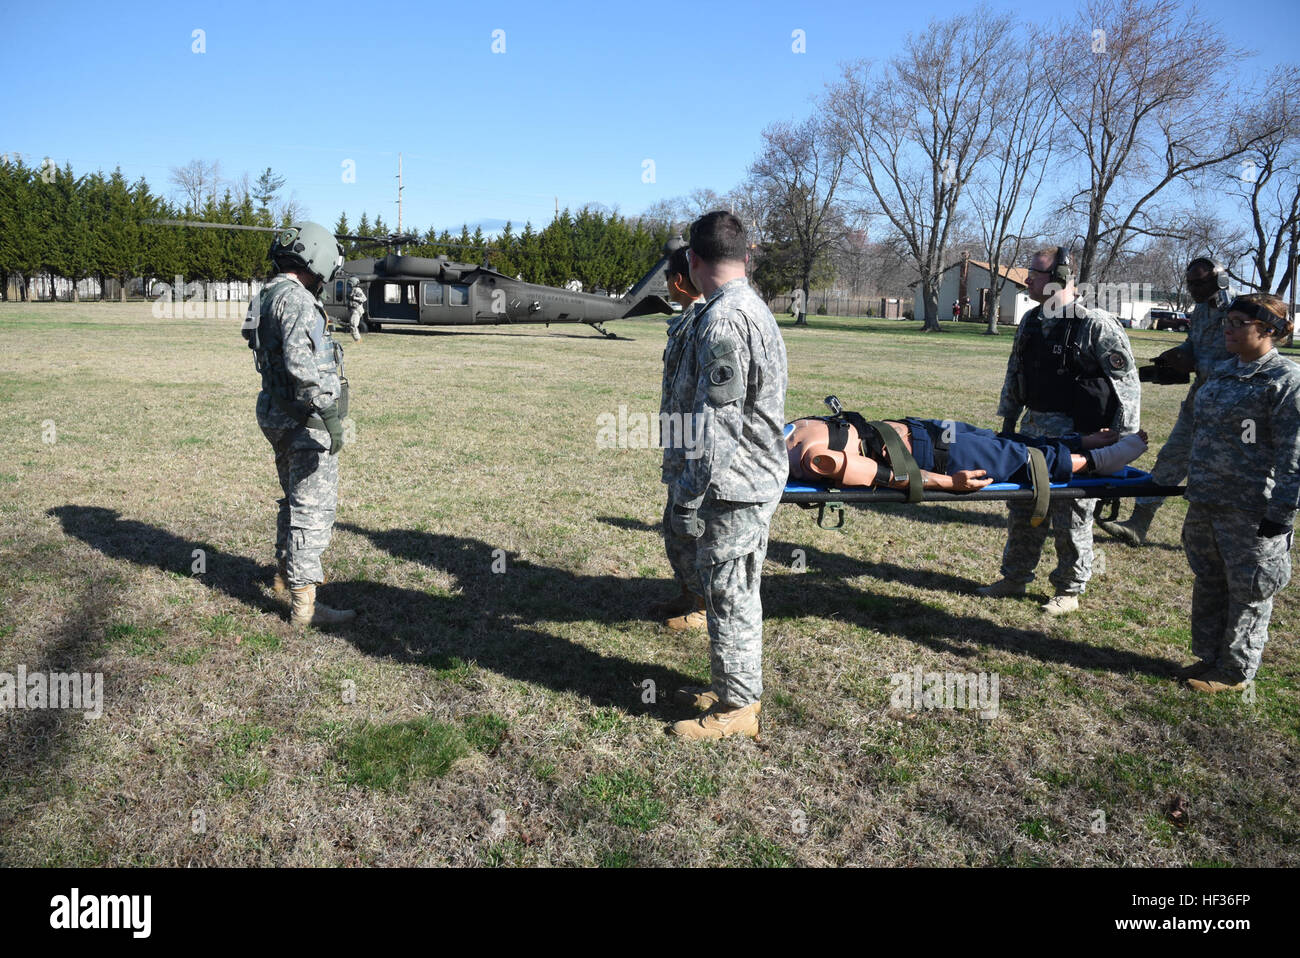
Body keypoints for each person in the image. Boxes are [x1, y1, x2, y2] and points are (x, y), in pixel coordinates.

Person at [663, 211, 788, 741]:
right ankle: (730, 686)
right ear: (745, 256)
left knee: (732, 590)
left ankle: (739, 709)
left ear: (693, 260)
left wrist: (689, 494)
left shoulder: (723, 321)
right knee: (726, 586)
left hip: (733, 484)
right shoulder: (746, 307)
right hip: (743, 479)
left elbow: (718, 424)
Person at [979, 247, 1141, 615]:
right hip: (1033, 431)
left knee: (1071, 518)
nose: (1028, 279)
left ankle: (1069, 589)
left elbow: (1126, 386)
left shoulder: (1094, 323)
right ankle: (1015, 576)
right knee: (1025, 509)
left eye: (1034, 273)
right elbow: (1015, 373)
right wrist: (1008, 421)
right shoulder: (1032, 320)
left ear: (1061, 278)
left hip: (1080, 437)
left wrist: (1123, 445)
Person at [1178, 293, 1299, 692]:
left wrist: (1280, 515)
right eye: (1226, 321)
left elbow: (1293, 458)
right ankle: (1210, 657)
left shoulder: (1285, 381)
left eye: (1237, 322)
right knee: (1209, 580)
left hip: (1250, 511)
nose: (1226, 329)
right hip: (1207, 501)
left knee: (1249, 590)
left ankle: (1234, 672)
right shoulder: (1223, 373)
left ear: (1267, 329)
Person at [242, 222, 355, 628]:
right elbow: (300, 363)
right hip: (303, 419)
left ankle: (286, 580)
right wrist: (328, 414)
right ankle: (305, 608)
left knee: (293, 500)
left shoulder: (266, 294)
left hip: (277, 412)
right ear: (316, 256)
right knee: (312, 509)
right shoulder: (297, 301)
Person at [1104, 258, 1235, 545]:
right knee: (1171, 458)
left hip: (1231, 407)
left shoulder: (1236, 311)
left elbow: (1243, 359)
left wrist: (1195, 362)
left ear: (1219, 281)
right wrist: (1178, 354)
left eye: (1200, 283)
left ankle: (1217, 536)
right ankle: (1139, 523)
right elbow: (1194, 342)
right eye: (1190, 284)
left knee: (1220, 472)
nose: (1193, 289)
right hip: (1198, 400)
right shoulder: (1200, 310)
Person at [786, 415, 1148, 489]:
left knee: (1005, 441)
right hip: (936, 456)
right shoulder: (816, 457)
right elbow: (888, 476)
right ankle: (1095, 463)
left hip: (926, 428)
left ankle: (1079, 444)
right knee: (1015, 460)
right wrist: (948, 483)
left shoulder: (787, 430)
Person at [650, 241, 708, 631]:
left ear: (677, 280)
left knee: (696, 528)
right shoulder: (687, 320)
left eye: (667, 280)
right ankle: (689, 592)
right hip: (680, 443)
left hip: (697, 448)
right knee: (674, 526)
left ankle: (704, 606)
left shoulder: (706, 322)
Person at [346, 276, 366, 342]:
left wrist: (354, 298)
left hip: (356, 310)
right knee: (352, 325)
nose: (349, 285)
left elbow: (364, 298)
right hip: (353, 309)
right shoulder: (352, 289)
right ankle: (357, 339)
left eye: (350, 284)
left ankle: (358, 340)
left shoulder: (357, 290)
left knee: (353, 325)